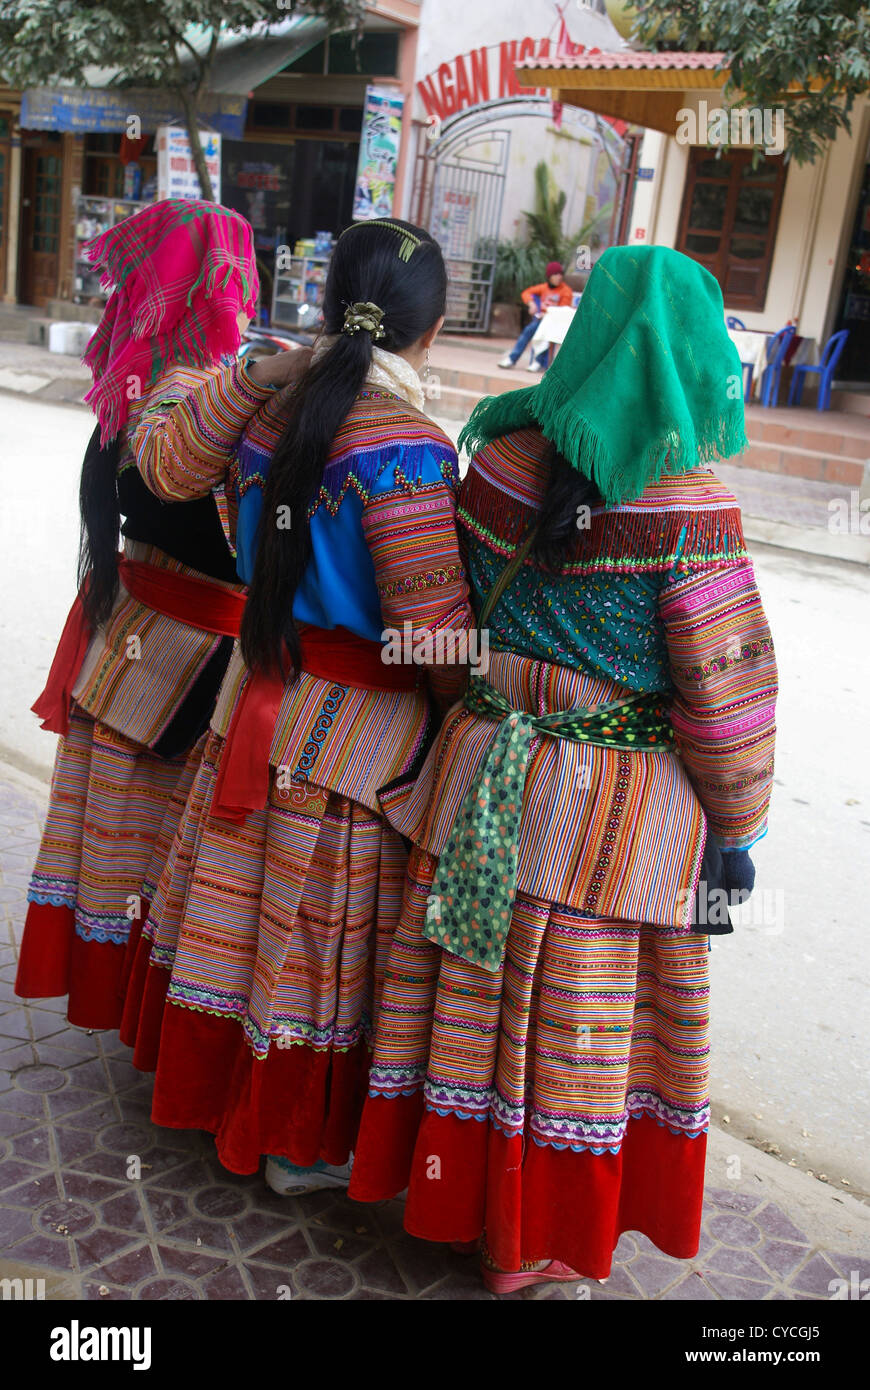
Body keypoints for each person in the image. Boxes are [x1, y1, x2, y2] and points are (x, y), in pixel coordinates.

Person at [347, 245, 778, 1291]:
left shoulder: (497, 455)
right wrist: (740, 828)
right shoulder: (690, 507)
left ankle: (453, 1204)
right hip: (613, 830)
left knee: (471, 1005)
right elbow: (725, 696)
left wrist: (474, 718)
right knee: (571, 1038)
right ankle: (527, 1239)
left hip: (481, 781)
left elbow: (445, 610)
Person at [117, 218, 474, 1193]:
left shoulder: (269, 409)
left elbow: (165, 468)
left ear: (323, 306)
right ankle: (291, 1141)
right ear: (432, 331)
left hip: (260, 698)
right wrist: (460, 707)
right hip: (356, 737)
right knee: (317, 935)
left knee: (237, 911)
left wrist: (253, 376)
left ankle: (211, 1096)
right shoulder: (407, 447)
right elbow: (432, 628)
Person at [14, 198, 296, 1029]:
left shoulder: (126, 382)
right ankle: (143, 1019)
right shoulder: (211, 397)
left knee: (115, 851)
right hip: (189, 665)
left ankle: (114, 1001)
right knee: (167, 866)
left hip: (130, 648)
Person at [498, 260, 574, 373]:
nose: (558, 277)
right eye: (555, 274)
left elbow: (563, 310)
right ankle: (512, 358)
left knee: (542, 333)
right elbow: (526, 293)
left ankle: (538, 361)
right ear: (549, 276)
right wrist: (531, 304)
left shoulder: (566, 291)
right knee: (528, 331)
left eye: (560, 274)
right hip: (541, 319)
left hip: (554, 323)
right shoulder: (543, 288)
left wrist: (547, 313)